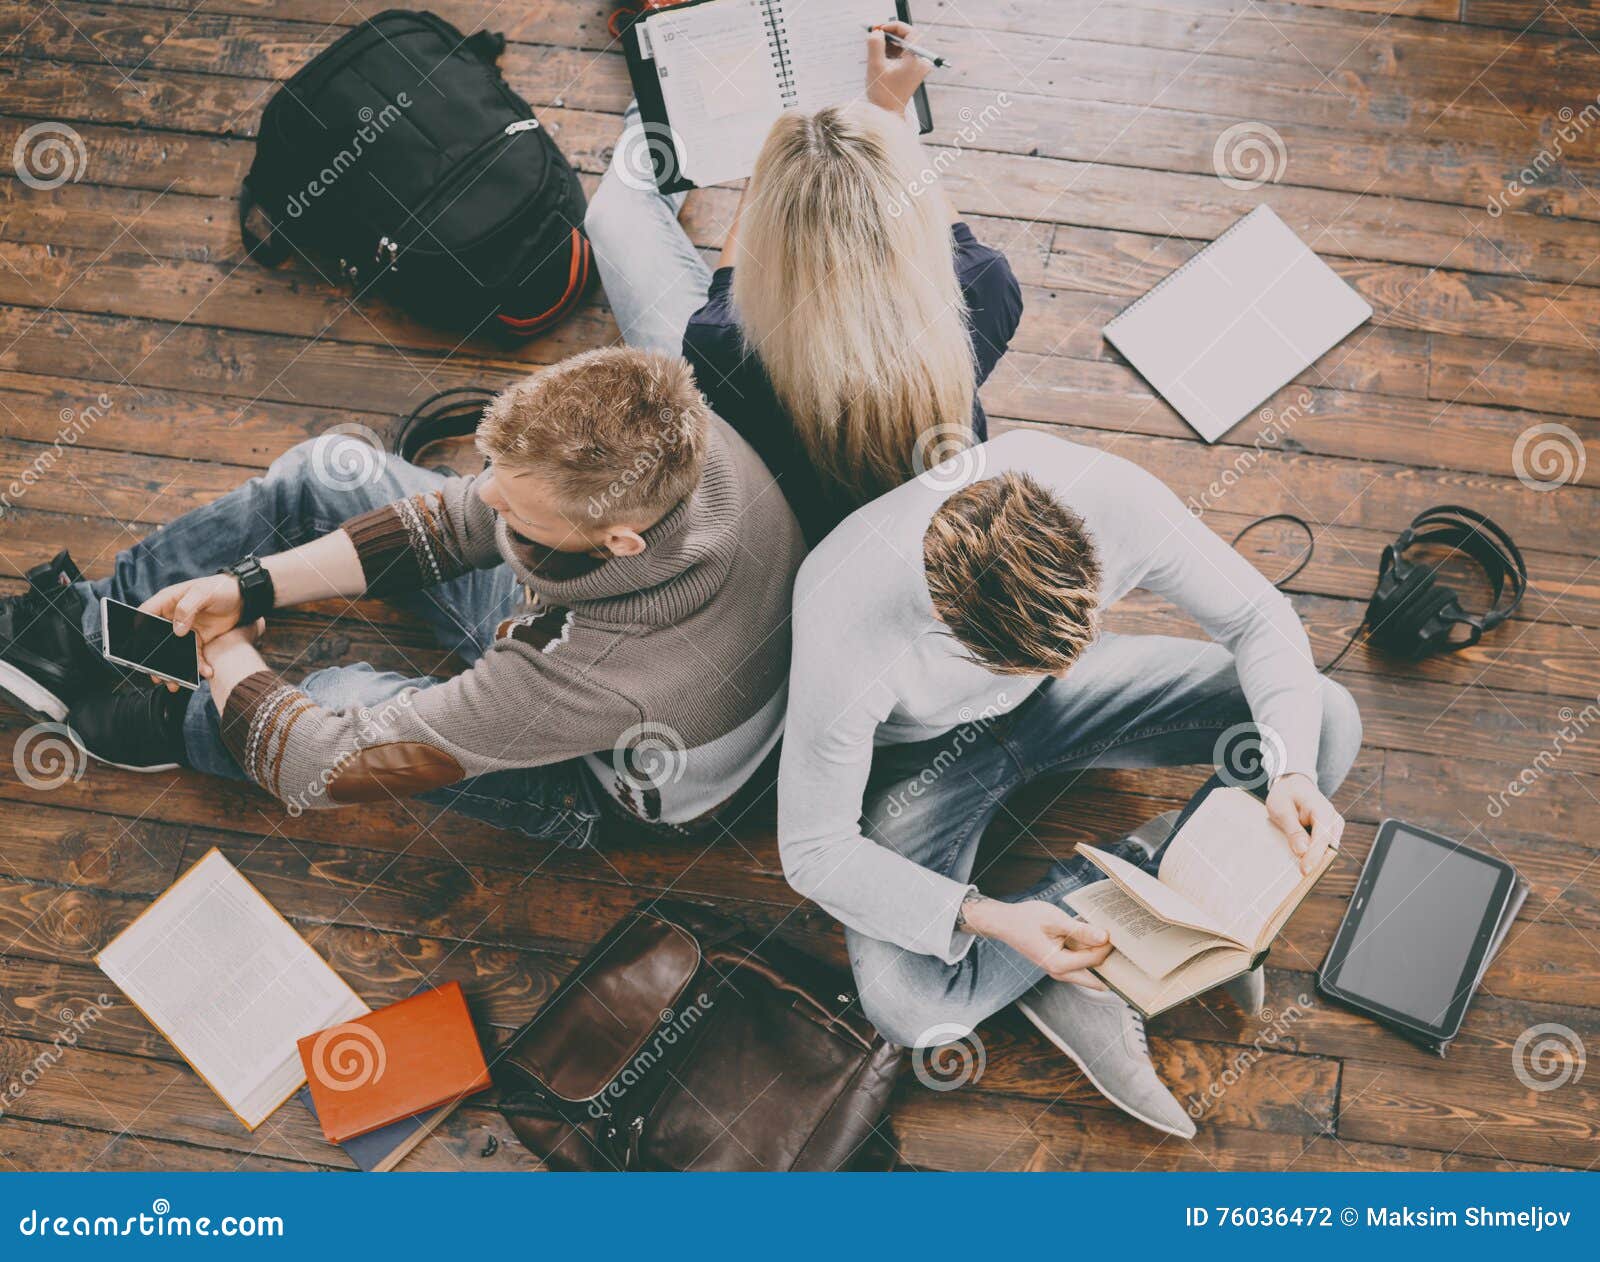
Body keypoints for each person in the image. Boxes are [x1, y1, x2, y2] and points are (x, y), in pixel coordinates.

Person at [776, 429, 1362, 1138]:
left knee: (1324, 720)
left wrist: (1292, 768)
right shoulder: (844, 608)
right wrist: (990, 918)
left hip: (1069, 695)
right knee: (912, 1009)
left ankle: (1169, 876)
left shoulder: (1103, 493)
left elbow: (1257, 616)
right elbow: (813, 850)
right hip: (923, 763)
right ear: (945, 625)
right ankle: (1114, 928)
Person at [0, 348, 805, 846]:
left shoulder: (596, 670)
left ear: (617, 540)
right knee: (329, 468)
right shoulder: (664, 425)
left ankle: (177, 727)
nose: (479, 495)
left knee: (336, 698)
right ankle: (77, 627)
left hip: (608, 784)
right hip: (639, 646)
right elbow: (456, 520)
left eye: (512, 507)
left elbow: (319, 764)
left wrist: (230, 652)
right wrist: (249, 584)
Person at [584, 23, 1023, 546]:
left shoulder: (721, 343)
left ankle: (664, 74)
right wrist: (888, 117)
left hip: (771, 530)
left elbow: (731, 284)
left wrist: (760, 158)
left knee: (614, 215)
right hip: (870, 538)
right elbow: (927, 206)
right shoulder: (984, 285)